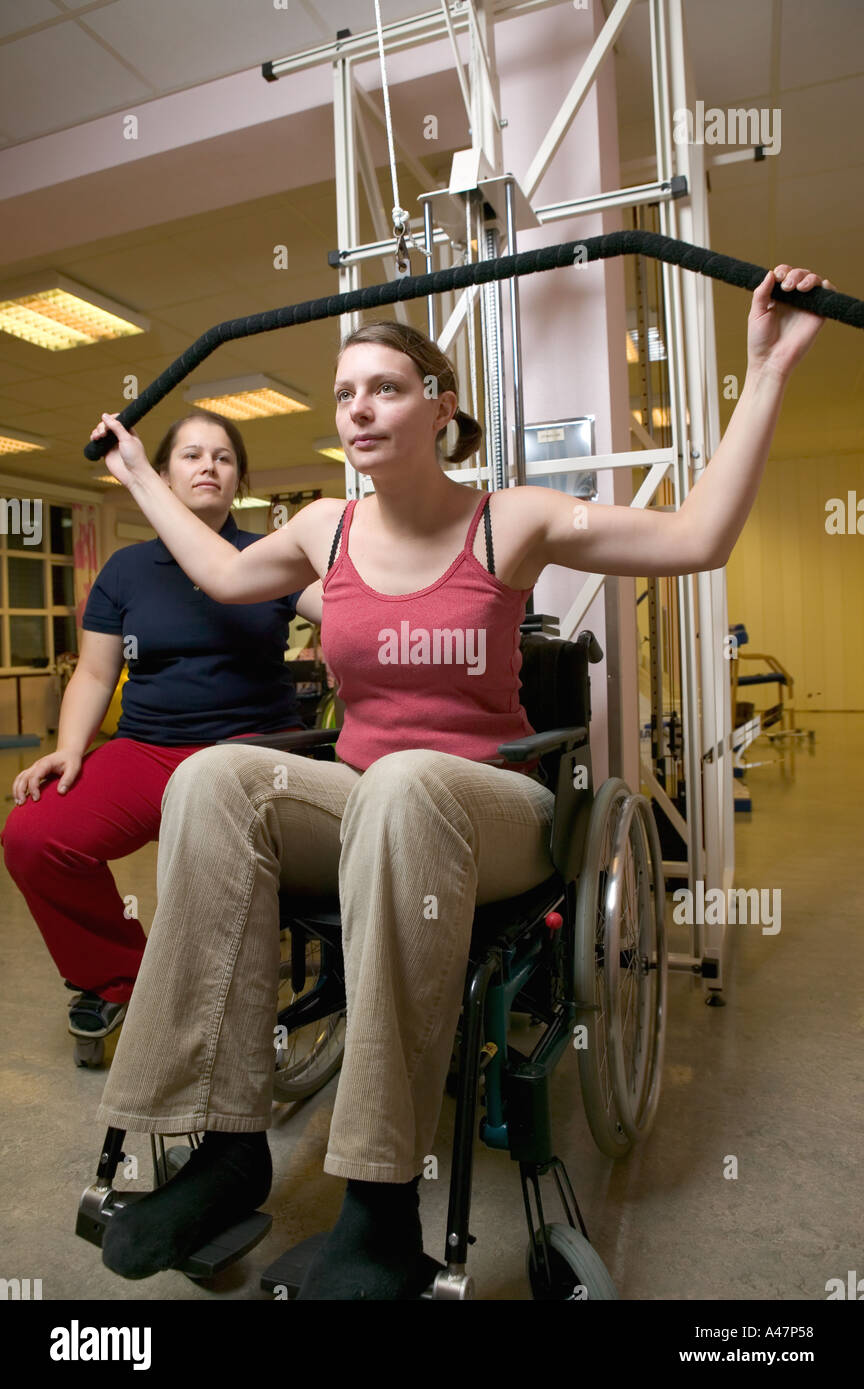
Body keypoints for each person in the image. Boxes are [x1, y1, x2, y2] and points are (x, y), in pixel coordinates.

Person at [82, 263, 830, 1299]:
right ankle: (221, 1145)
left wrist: (769, 366)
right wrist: (136, 473)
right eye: (345, 393)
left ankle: (379, 1208)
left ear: (439, 406)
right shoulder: (322, 528)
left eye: (384, 387)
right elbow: (217, 573)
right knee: (211, 779)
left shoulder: (508, 519)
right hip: (370, 805)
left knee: (406, 785)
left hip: (492, 807)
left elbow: (697, 538)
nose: (358, 408)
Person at [1, 409, 322, 1043]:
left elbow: (344, 617)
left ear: (238, 480)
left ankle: (215, 998)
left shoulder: (268, 554)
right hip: (148, 751)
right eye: (192, 455)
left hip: (250, 756)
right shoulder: (123, 571)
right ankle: (124, 977)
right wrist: (69, 749)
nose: (209, 465)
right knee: (34, 835)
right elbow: (94, 676)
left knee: (210, 878)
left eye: (224, 457)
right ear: (165, 476)